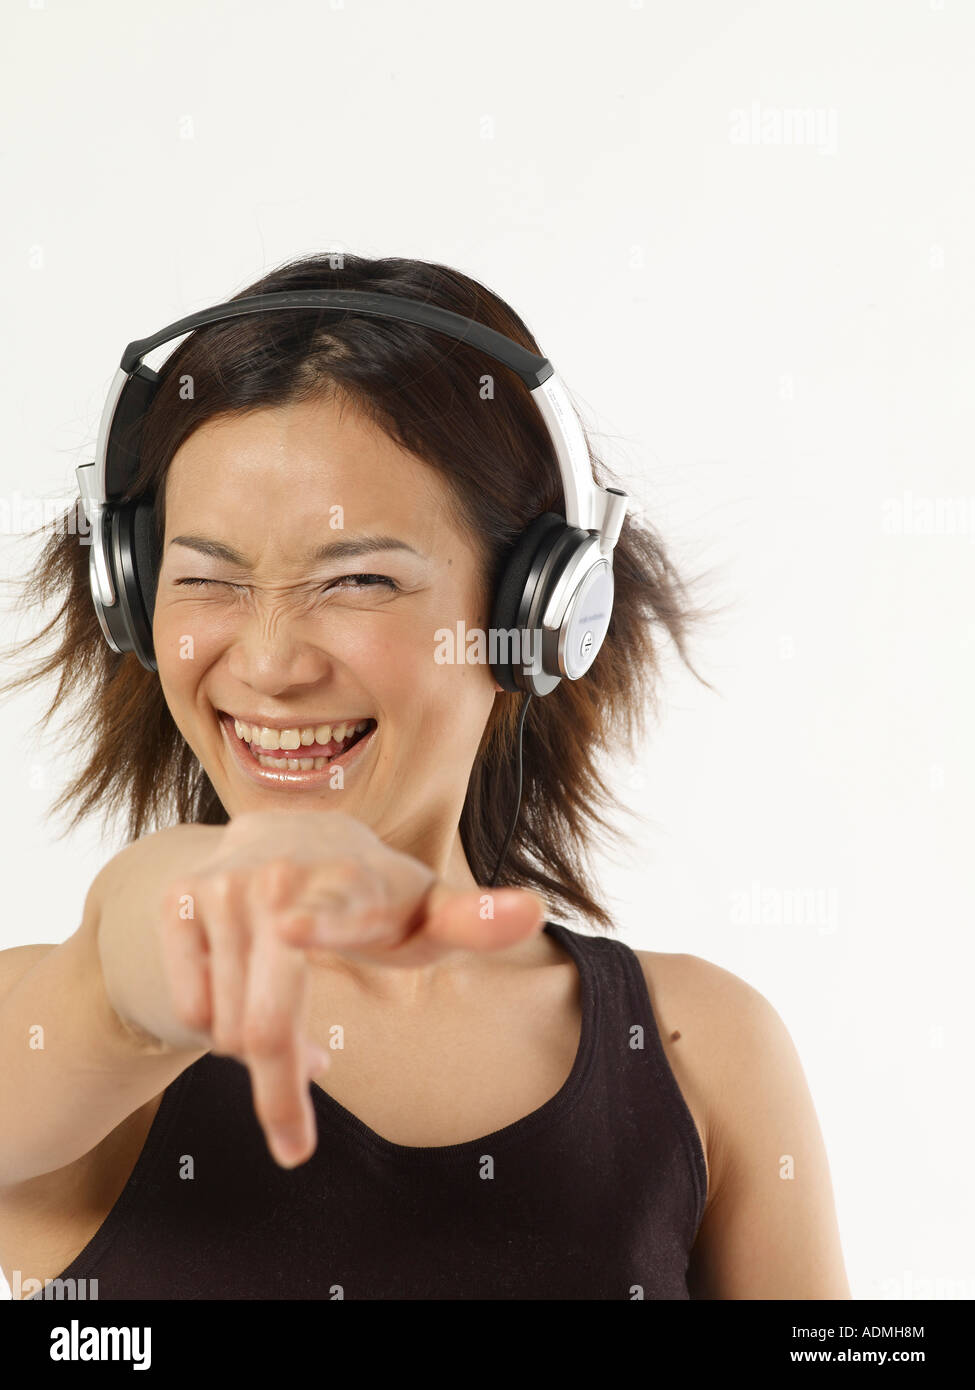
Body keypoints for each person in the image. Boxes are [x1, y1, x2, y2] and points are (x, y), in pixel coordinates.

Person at [0, 253, 851, 1300]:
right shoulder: (48, 1018)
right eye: (208, 579)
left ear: (535, 614)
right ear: (133, 598)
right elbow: (80, 1019)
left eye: (358, 578)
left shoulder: (698, 1050)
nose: (269, 662)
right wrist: (122, 981)